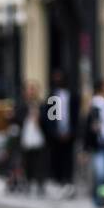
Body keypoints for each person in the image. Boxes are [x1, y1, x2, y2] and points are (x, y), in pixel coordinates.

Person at [44, 69, 78, 198]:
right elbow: (50, 117)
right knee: (56, 159)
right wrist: (55, 132)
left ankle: (68, 183)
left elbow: (74, 116)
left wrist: (71, 132)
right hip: (56, 136)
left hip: (69, 134)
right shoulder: (52, 96)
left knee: (68, 160)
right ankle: (57, 182)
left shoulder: (72, 95)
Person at [84, 79, 104, 208]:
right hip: (100, 143)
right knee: (101, 173)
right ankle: (98, 199)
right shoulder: (95, 104)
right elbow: (88, 126)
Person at [14, 81, 48, 195]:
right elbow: (16, 119)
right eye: (29, 90)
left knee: (40, 162)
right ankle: (27, 182)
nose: (31, 92)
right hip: (26, 138)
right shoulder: (21, 105)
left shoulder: (42, 105)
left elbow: (49, 121)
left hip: (39, 138)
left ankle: (40, 184)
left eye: (33, 90)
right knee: (27, 162)